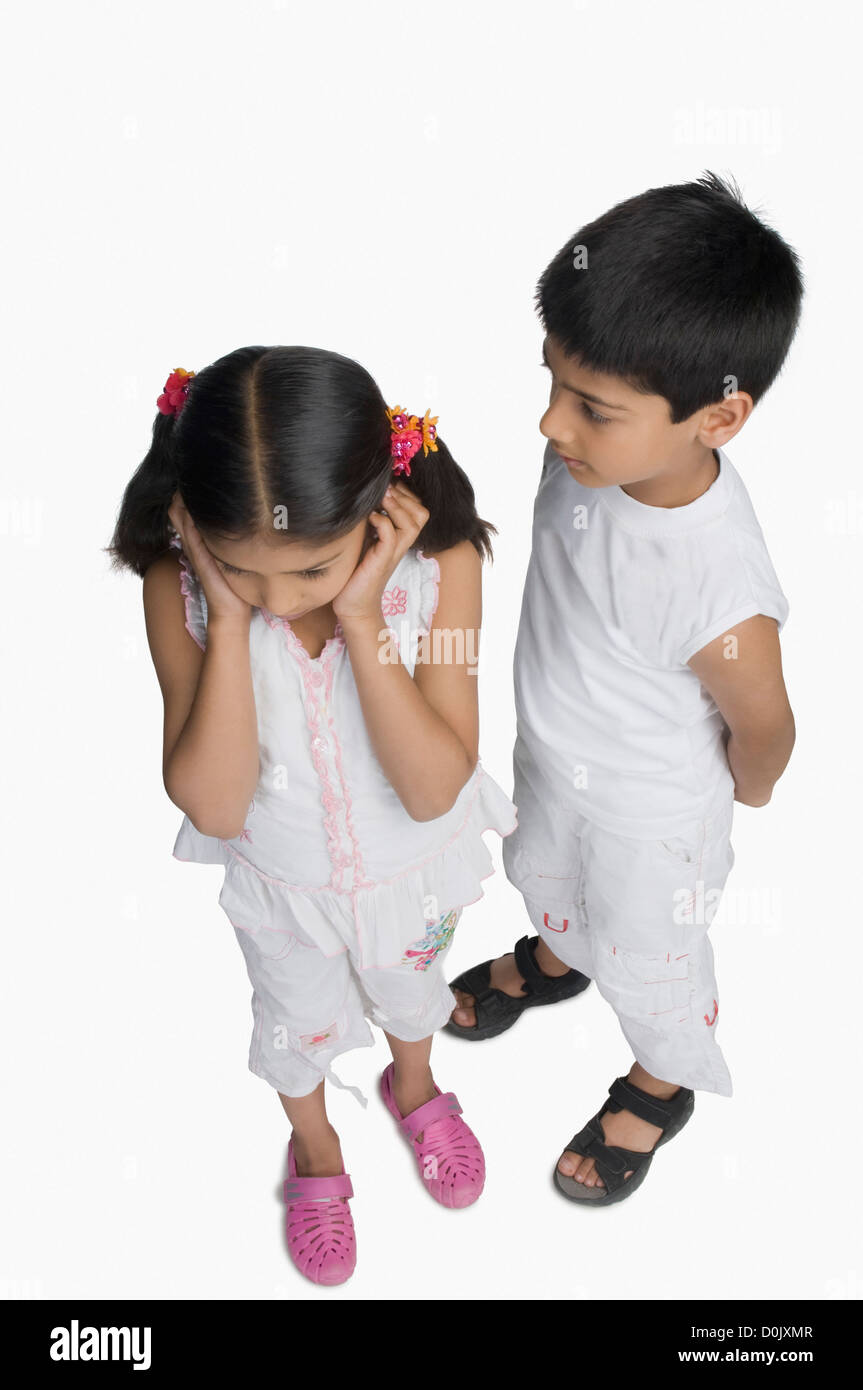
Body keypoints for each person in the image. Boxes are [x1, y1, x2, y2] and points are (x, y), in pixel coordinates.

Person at [107, 345, 518, 1281]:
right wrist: (218, 602)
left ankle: (413, 1086)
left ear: (379, 511)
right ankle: (317, 1147)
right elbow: (214, 804)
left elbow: (431, 788)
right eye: (243, 570)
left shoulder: (443, 569)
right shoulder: (177, 594)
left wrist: (367, 621)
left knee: (413, 992)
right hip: (283, 887)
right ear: (196, 531)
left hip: (411, 873)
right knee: (293, 1022)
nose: (278, 600)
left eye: (313, 571)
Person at [446, 172, 803, 1206]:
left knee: (652, 949)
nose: (550, 424)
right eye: (552, 383)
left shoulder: (719, 589)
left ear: (717, 417)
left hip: (652, 816)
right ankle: (558, 952)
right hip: (552, 754)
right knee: (543, 870)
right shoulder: (591, 462)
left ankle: (661, 1072)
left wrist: (748, 789)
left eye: (590, 407)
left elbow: (766, 724)